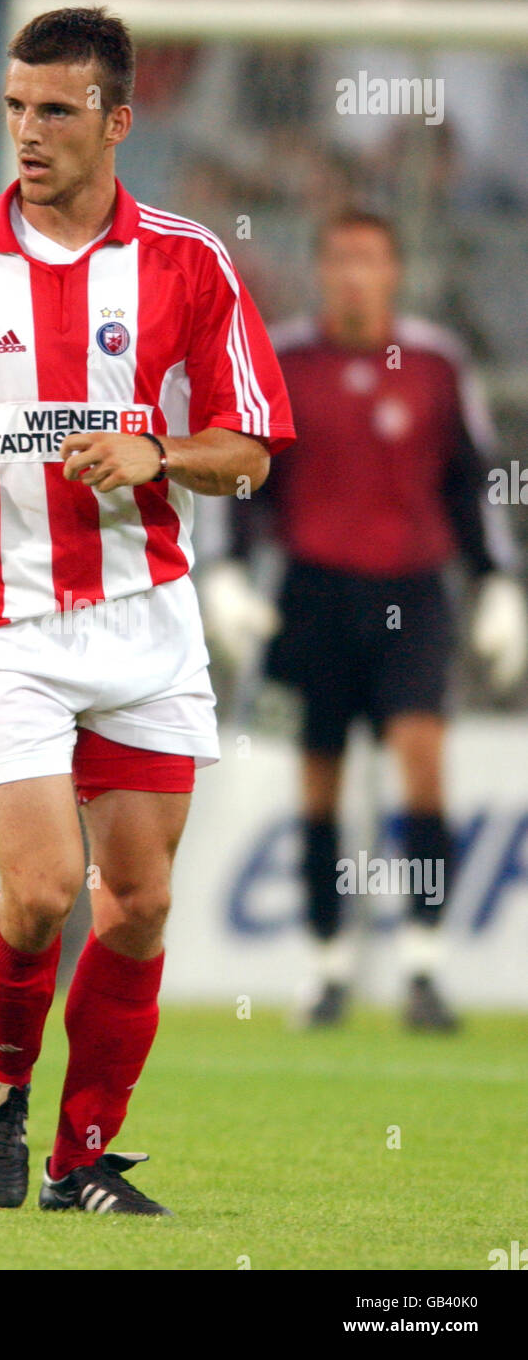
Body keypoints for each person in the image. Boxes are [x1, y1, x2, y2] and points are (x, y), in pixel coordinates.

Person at [0, 7, 295, 1214]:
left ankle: (81, 1158)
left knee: (137, 903)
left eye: (54, 110)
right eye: (14, 108)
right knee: (42, 890)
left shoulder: (188, 262)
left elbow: (248, 452)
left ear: (117, 119)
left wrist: (160, 452)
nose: (27, 133)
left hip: (140, 616)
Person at [202, 209, 526, 1030]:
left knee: (421, 764)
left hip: (414, 595)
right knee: (319, 784)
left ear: (392, 272)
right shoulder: (285, 359)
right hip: (313, 594)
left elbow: (473, 482)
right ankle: (326, 967)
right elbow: (245, 470)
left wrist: (496, 584)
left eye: (369, 260)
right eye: (339, 258)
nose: (353, 275)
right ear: (320, 269)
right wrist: (231, 570)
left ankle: (424, 967)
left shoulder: (433, 363)